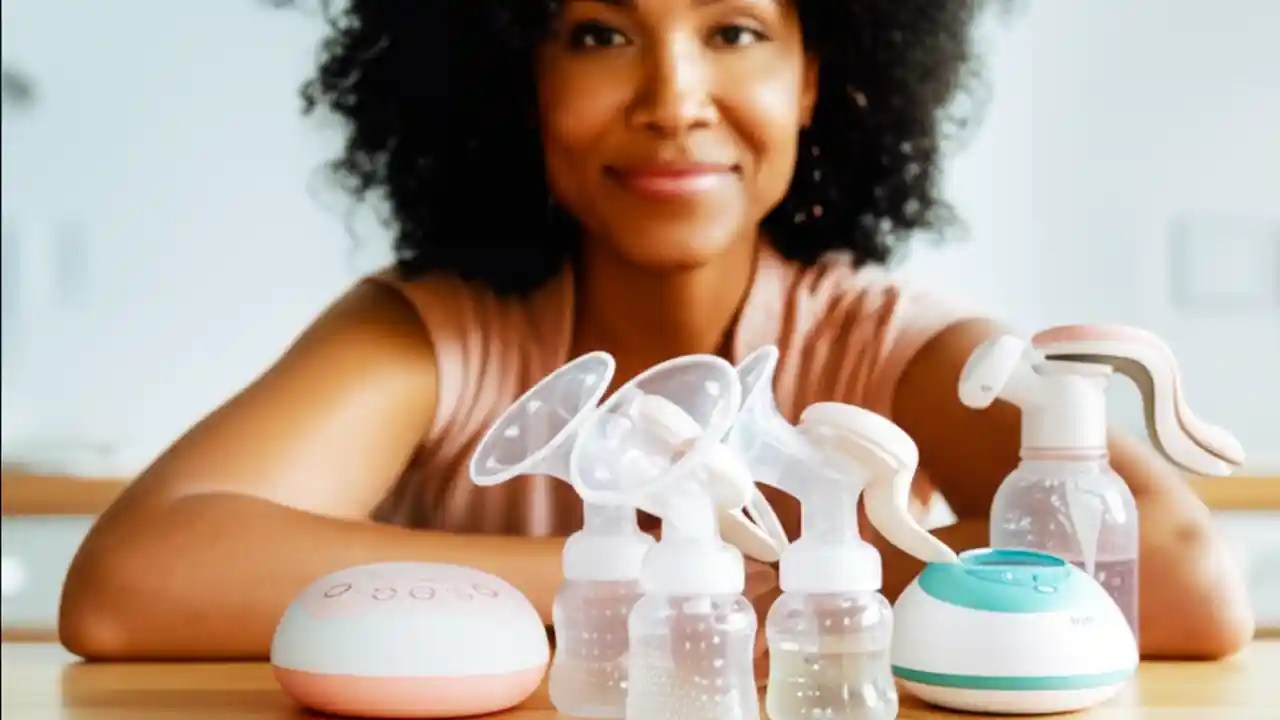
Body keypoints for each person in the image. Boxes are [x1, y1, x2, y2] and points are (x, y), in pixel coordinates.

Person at [59, 0, 1253, 663]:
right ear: (508, 81)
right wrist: (702, 576)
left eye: (733, 29)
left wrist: (730, 582)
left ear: (813, 77)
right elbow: (132, 587)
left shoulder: (882, 340)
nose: (674, 98)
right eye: (596, 32)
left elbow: (1181, 582)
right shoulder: (431, 333)